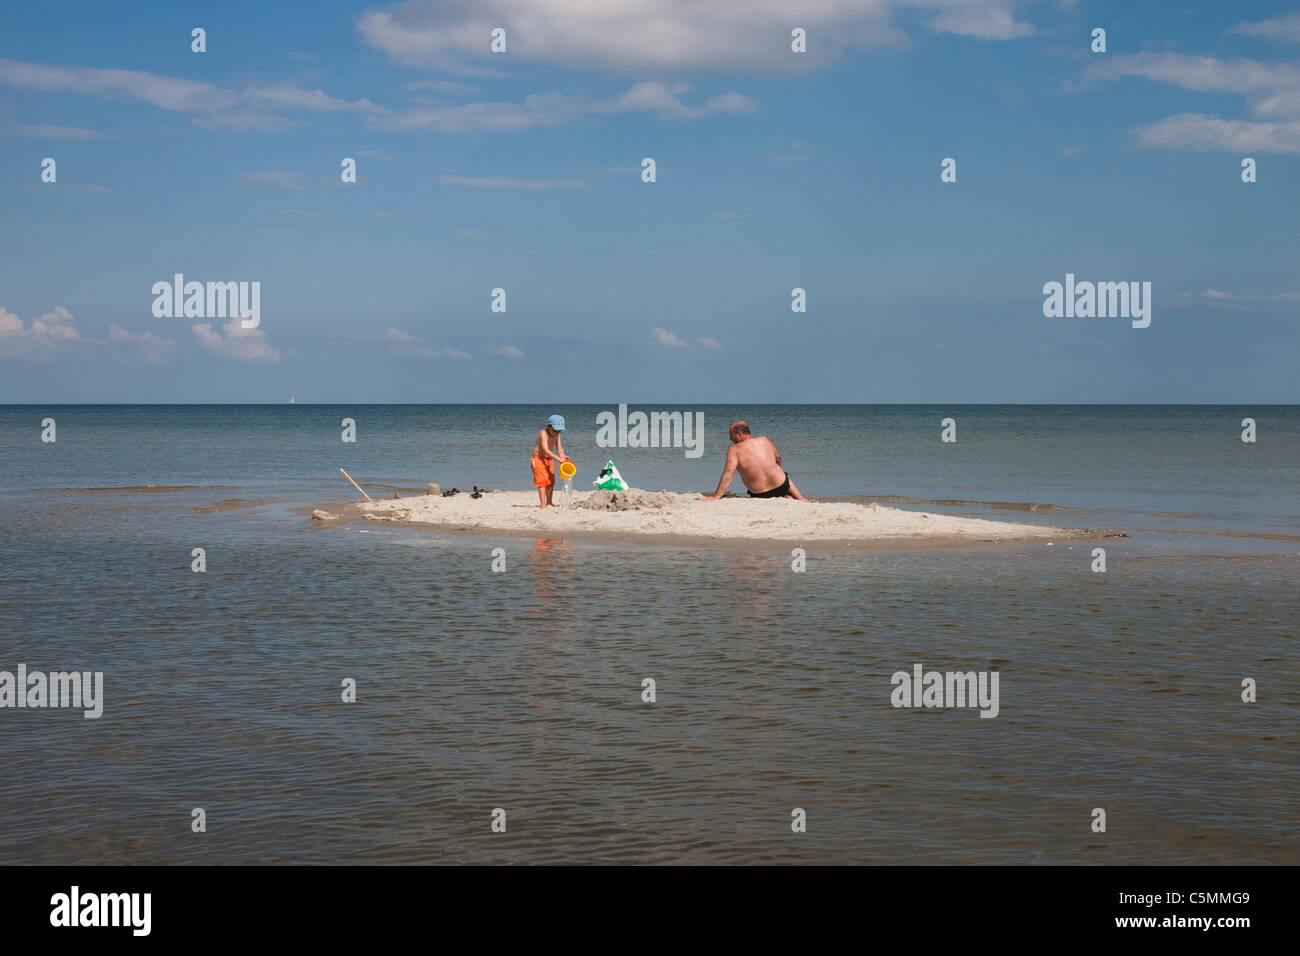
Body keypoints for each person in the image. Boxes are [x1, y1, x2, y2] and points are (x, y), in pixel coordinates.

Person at [702, 421, 810, 501]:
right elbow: (778, 458)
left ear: (739, 433)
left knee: (780, 481)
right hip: (782, 486)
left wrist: (716, 496)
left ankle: (790, 497)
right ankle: (800, 498)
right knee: (785, 478)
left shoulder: (734, 449)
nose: (730, 439)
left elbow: (729, 473)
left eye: (731, 435)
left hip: (761, 494)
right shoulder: (765, 440)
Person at [531, 414, 570, 509]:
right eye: (555, 430)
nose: (556, 432)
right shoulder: (543, 433)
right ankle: (543, 503)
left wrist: (562, 456)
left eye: (559, 430)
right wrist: (558, 459)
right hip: (538, 459)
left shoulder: (557, 434)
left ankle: (549, 502)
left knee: (550, 482)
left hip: (549, 459)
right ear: (548, 426)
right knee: (542, 482)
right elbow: (545, 449)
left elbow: (559, 447)